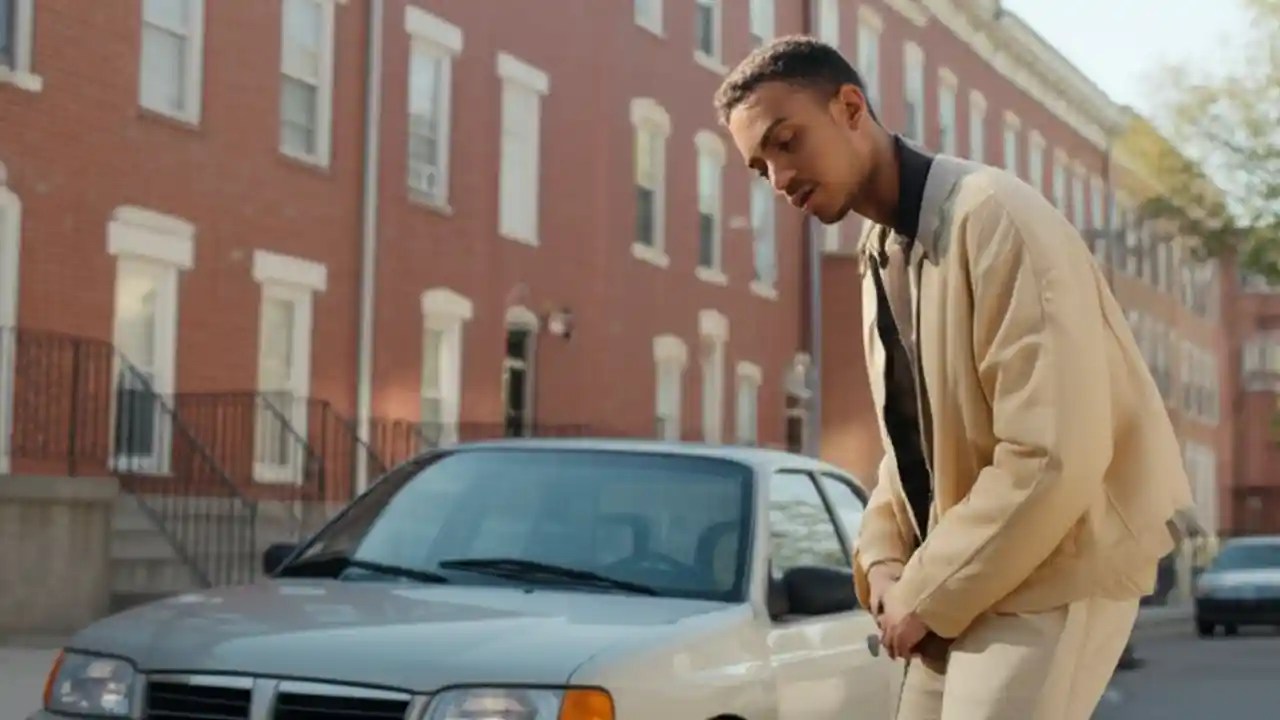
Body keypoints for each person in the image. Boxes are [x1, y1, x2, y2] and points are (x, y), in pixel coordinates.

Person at [715, 36, 1193, 719]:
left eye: (786, 142)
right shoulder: (883, 248)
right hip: (964, 570)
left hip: (1052, 566)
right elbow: (909, 442)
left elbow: (1051, 452)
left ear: (851, 106)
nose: (779, 178)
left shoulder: (994, 217)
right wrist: (881, 561)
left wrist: (926, 591)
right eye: (759, 167)